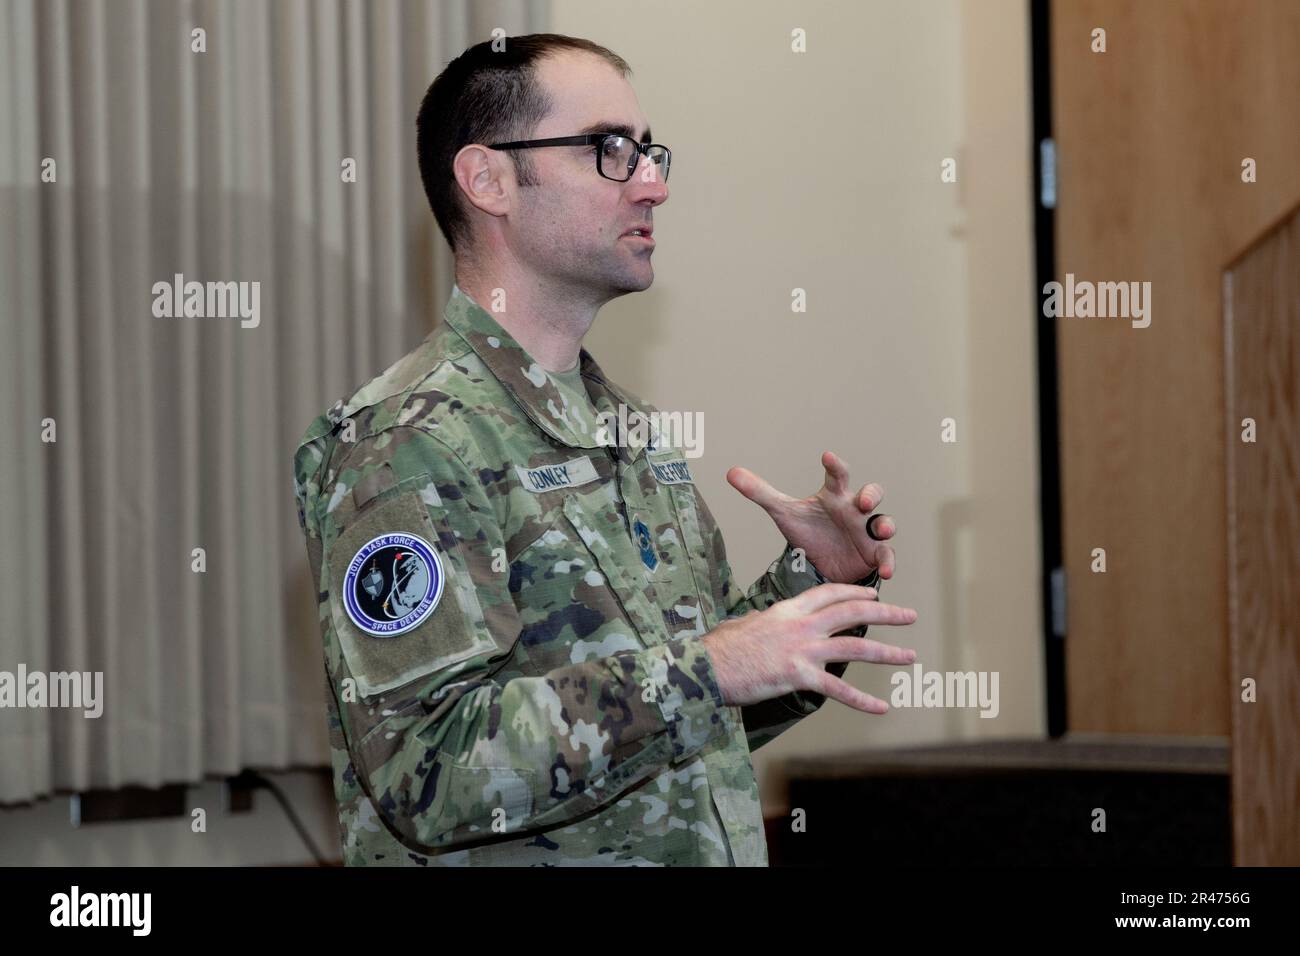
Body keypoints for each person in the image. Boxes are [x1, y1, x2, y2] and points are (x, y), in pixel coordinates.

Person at [292, 33, 918, 867]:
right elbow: (426, 776)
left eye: (649, 152)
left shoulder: (627, 430)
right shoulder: (405, 443)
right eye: (609, 151)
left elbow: (692, 727)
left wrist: (809, 590)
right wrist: (711, 668)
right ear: (488, 180)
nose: (653, 184)